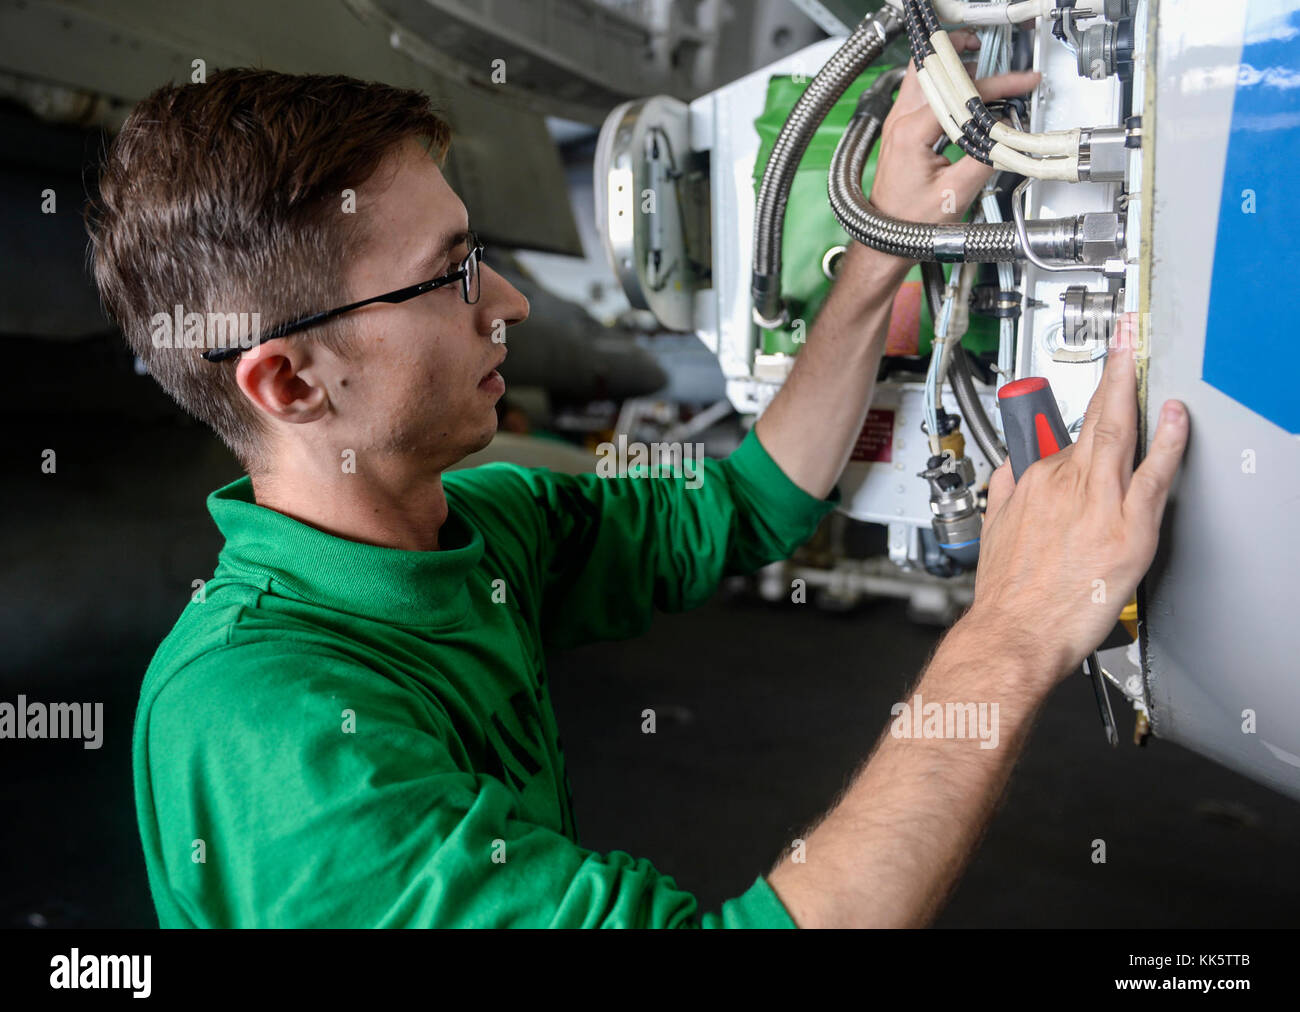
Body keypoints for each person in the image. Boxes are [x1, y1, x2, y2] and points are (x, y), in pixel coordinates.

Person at [87, 41, 1188, 928]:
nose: (509, 301)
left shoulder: (480, 526)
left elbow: (747, 503)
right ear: (288, 380)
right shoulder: (267, 734)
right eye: (448, 274)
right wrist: (1012, 630)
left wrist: (879, 245)